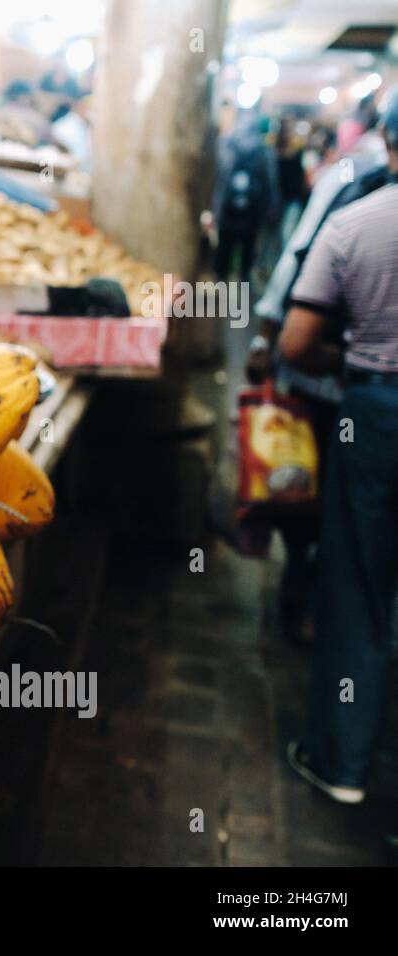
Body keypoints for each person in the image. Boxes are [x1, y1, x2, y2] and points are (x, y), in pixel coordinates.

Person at [279, 93, 398, 805]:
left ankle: (342, 760)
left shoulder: (356, 223)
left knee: (355, 585)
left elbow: (297, 343)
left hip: (375, 411)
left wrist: (347, 360)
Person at [246, 103, 393, 645]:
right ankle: (307, 589)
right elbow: (298, 253)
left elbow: (296, 253)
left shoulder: (353, 179)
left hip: (341, 376)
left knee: (325, 491)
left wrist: (271, 335)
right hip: (336, 373)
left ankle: (316, 596)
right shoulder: (353, 177)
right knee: (318, 490)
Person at [212, 113, 279, 285]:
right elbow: (270, 182)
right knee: (245, 248)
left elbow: (217, 178)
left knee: (225, 247)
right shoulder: (263, 150)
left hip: (231, 210)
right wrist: (271, 208)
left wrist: (214, 208)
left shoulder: (227, 145)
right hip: (250, 212)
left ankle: (223, 279)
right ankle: (242, 280)